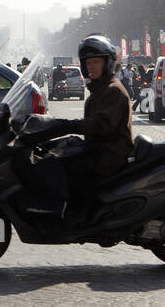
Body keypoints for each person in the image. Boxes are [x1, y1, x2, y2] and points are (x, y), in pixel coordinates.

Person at [22, 35, 133, 222]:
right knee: (55, 152)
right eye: (88, 62)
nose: (91, 66)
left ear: (108, 63)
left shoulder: (112, 90)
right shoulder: (99, 90)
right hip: (100, 148)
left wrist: (69, 125)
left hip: (110, 154)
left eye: (96, 62)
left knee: (63, 167)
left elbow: (101, 125)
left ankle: (76, 217)